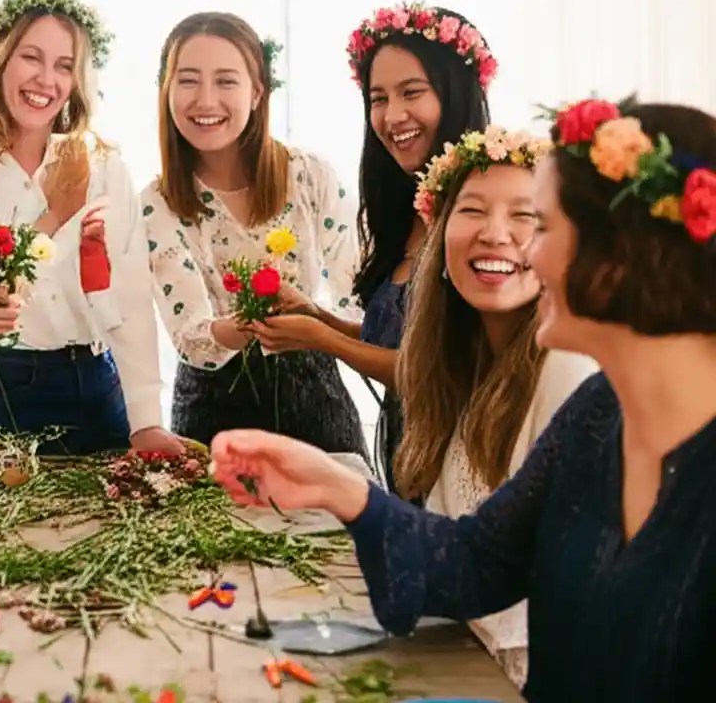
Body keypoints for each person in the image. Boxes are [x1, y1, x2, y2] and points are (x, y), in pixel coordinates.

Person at [210, 99, 716, 701]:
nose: (525, 252)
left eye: (544, 226)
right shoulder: (597, 414)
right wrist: (333, 485)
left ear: (620, 253)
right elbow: (478, 560)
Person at [0, 0, 181, 455]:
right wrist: (54, 215)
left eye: (64, 65)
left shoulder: (103, 165)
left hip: (100, 382)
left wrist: (145, 420)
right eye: (31, 57)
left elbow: (133, 300)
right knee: (6, 530)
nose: (46, 79)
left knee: (114, 526)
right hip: (4, 388)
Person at [248, 2, 495, 487]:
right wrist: (315, 315)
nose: (392, 115)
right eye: (378, 98)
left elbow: (441, 371)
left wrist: (321, 340)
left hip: (462, 463)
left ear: (455, 90)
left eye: (412, 92)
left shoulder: (480, 209)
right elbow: (400, 338)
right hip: (409, 454)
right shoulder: (410, 207)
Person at [395, 126, 597, 685]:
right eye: (472, 210)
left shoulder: (569, 367)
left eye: (526, 216)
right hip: (456, 657)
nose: (495, 234)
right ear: (439, 237)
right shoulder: (453, 365)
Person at [143, 11, 366, 458]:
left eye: (226, 81)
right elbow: (193, 340)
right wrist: (248, 323)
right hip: (212, 411)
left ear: (257, 92)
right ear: (167, 91)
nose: (206, 100)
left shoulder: (309, 176)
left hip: (315, 400)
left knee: (336, 527)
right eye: (188, 80)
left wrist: (314, 320)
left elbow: (357, 296)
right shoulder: (156, 203)